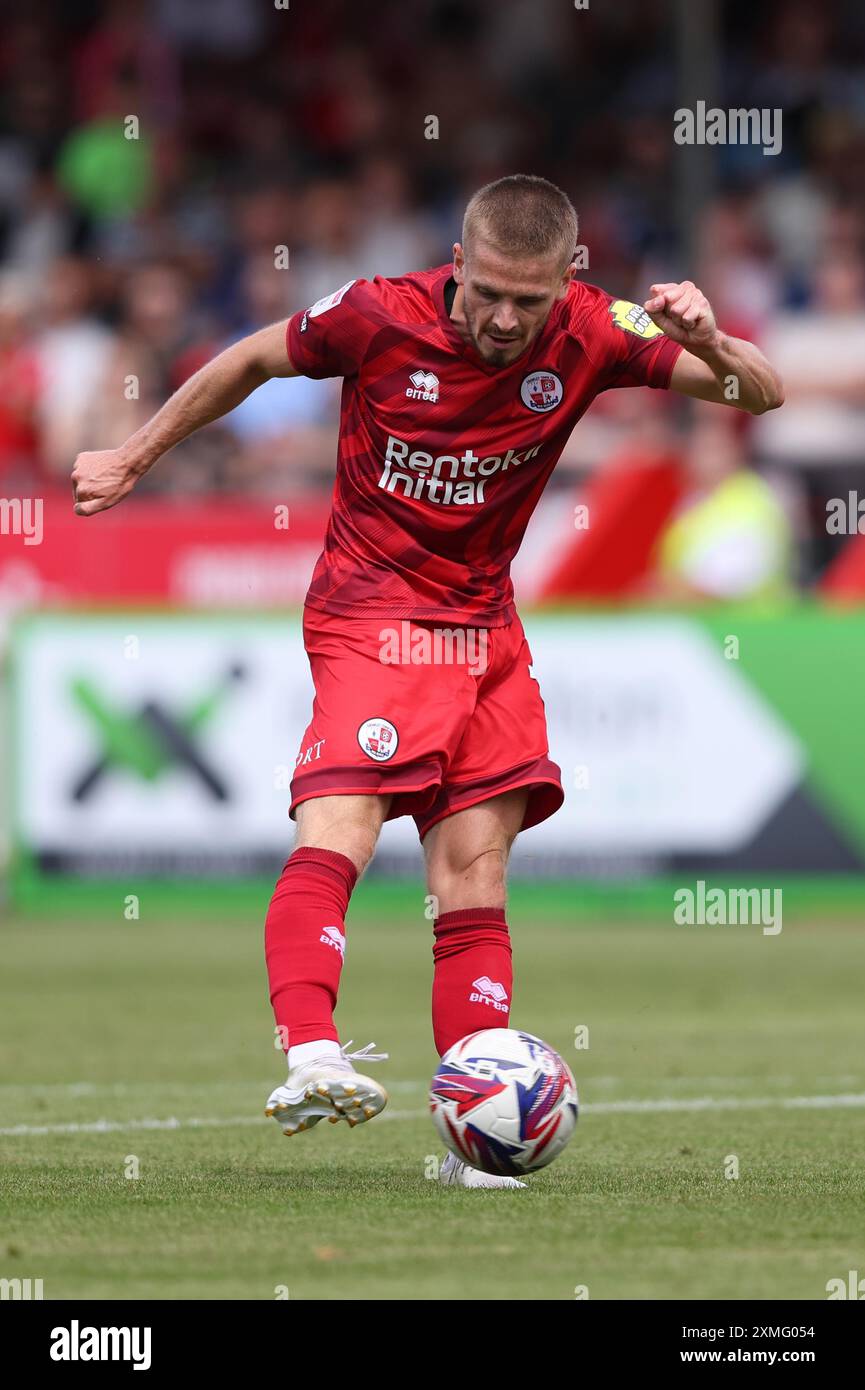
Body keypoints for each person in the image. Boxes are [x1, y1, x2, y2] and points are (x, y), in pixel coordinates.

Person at [71, 175, 784, 1188]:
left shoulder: (598, 328)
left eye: (526, 302)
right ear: (458, 262)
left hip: (485, 623)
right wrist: (136, 456)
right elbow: (249, 358)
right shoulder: (375, 314)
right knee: (344, 827)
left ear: (562, 285)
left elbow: (764, 392)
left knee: (474, 875)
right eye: (487, 291)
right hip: (372, 608)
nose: (503, 319)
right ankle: (311, 1052)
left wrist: (709, 339)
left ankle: (477, 1140)